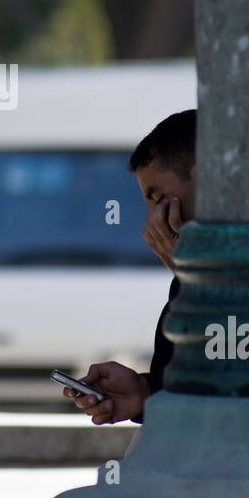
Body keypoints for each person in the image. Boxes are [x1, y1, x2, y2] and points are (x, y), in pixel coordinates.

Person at [63, 109, 196, 425]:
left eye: (159, 197)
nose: (153, 220)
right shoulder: (189, 274)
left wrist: (199, 283)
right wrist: (144, 393)